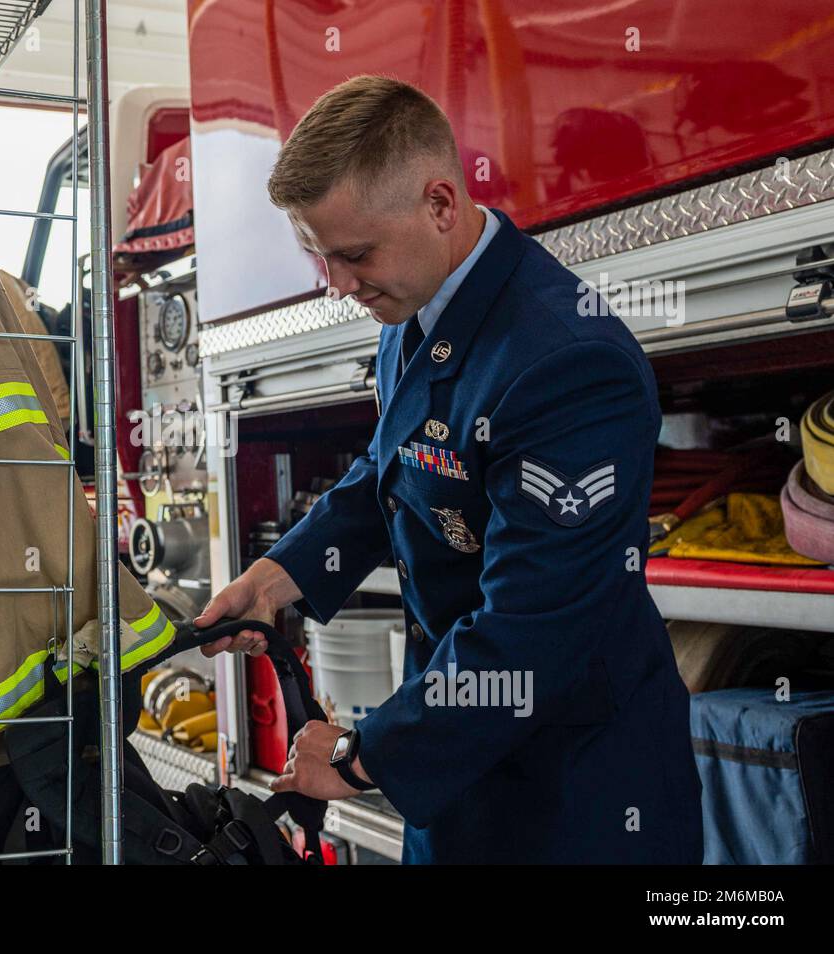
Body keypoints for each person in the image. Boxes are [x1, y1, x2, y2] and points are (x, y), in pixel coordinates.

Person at [194, 75, 703, 864]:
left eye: (354, 254)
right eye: (319, 255)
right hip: (456, 765)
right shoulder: (415, 309)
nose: (337, 285)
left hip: (574, 794)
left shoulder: (566, 362)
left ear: (439, 203)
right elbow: (391, 467)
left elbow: (534, 627)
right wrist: (275, 578)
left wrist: (361, 755)